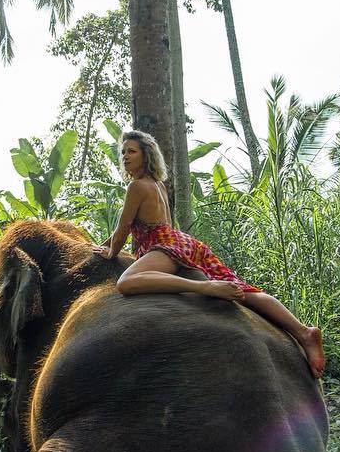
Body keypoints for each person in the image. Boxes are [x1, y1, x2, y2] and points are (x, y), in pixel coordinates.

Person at [92, 129, 325, 378]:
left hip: (165, 246)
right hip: (184, 242)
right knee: (242, 289)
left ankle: (205, 287)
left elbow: (124, 227)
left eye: (132, 151)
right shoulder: (157, 184)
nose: (125, 156)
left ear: (146, 154)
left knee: (126, 282)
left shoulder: (136, 186)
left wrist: (111, 252)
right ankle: (303, 332)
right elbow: (142, 226)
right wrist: (108, 243)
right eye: (123, 151)